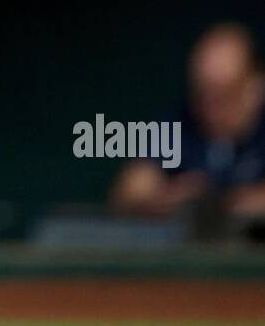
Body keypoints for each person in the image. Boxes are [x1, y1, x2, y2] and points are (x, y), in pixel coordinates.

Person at [110, 23, 265, 226]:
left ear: (255, 86)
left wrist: (222, 203)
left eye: (224, 94)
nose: (210, 106)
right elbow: (128, 193)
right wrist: (168, 199)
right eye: (202, 93)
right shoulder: (183, 123)